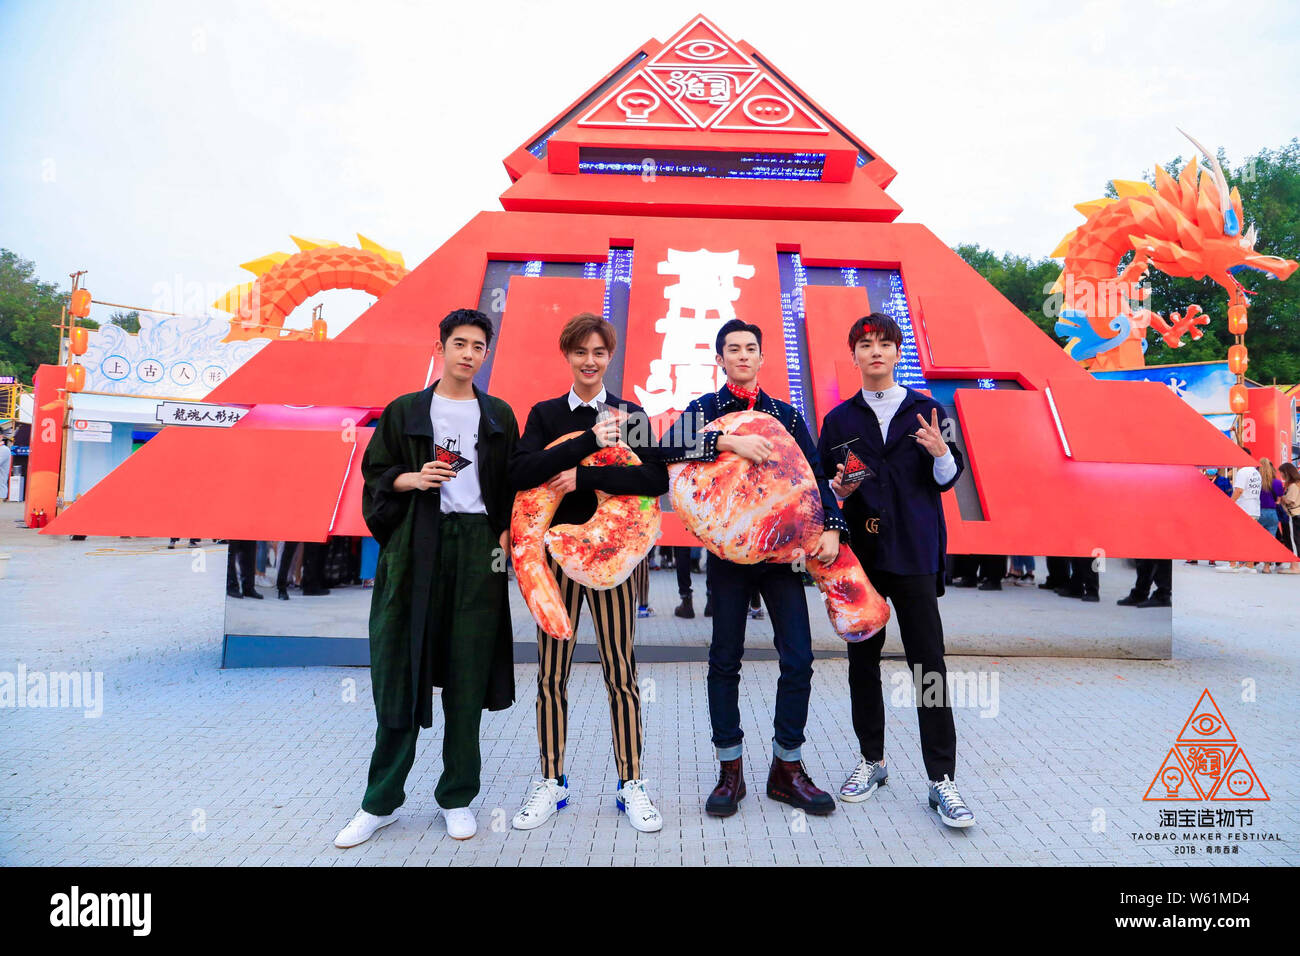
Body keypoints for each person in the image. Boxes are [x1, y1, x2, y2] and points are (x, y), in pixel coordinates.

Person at [334, 308, 518, 848]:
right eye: (458, 343)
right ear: (439, 347)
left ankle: (458, 796)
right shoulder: (407, 410)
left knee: (467, 673)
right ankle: (380, 802)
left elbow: (510, 485)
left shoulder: (499, 415)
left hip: (478, 548)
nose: (468, 353)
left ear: (486, 353)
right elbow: (375, 475)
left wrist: (506, 534)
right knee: (400, 670)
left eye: (478, 346)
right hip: (417, 544)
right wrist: (412, 478)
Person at [648, 318, 847, 817]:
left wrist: (832, 527)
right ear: (719, 360)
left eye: (750, 349)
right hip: (728, 558)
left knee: (799, 657)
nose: (742, 356)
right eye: (732, 349)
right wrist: (726, 443)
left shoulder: (786, 413)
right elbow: (663, 449)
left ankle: (788, 769)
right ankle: (729, 771)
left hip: (781, 556)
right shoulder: (705, 409)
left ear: (762, 358)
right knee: (725, 659)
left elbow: (817, 474)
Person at [506, 312, 668, 833]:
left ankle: (632, 782)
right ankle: (551, 780)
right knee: (551, 673)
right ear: (567, 356)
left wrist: (585, 471)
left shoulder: (630, 412)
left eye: (599, 353)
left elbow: (654, 478)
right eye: (581, 353)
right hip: (553, 562)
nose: (590, 361)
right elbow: (522, 470)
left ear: (610, 356)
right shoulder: (546, 413)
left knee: (620, 670)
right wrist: (585, 441)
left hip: (612, 562)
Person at [818, 312, 975, 829]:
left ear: (897, 351)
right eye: (867, 345)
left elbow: (949, 479)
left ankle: (942, 779)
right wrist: (838, 491)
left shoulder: (929, 411)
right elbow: (827, 490)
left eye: (886, 344)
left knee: (928, 665)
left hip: (912, 553)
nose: (876, 352)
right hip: (861, 560)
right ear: (855, 354)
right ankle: (872, 762)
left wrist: (939, 454)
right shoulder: (840, 420)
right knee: (862, 664)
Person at [1219, 463, 1262, 573]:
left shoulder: (1243, 472)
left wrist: (1230, 503)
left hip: (1243, 509)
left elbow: (1239, 490)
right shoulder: (1256, 473)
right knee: (1249, 539)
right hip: (1254, 509)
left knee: (1234, 536)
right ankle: (1250, 565)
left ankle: (1233, 564)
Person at [1256, 458, 1282, 573]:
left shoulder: (1256, 481)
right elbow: (1279, 501)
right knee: (1271, 541)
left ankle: (1251, 563)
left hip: (1258, 512)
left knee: (1256, 539)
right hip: (1272, 513)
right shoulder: (1276, 482)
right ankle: (1267, 567)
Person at [1277, 463, 1300, 574]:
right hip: (1297, 515)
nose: (1281, 475)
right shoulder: (1297, 484)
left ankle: (1294, 566)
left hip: (1293, 515)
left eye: (1281, 473)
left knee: (1293, 540)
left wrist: (1281, 498)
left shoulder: (1293, 486)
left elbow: (1289, 500)